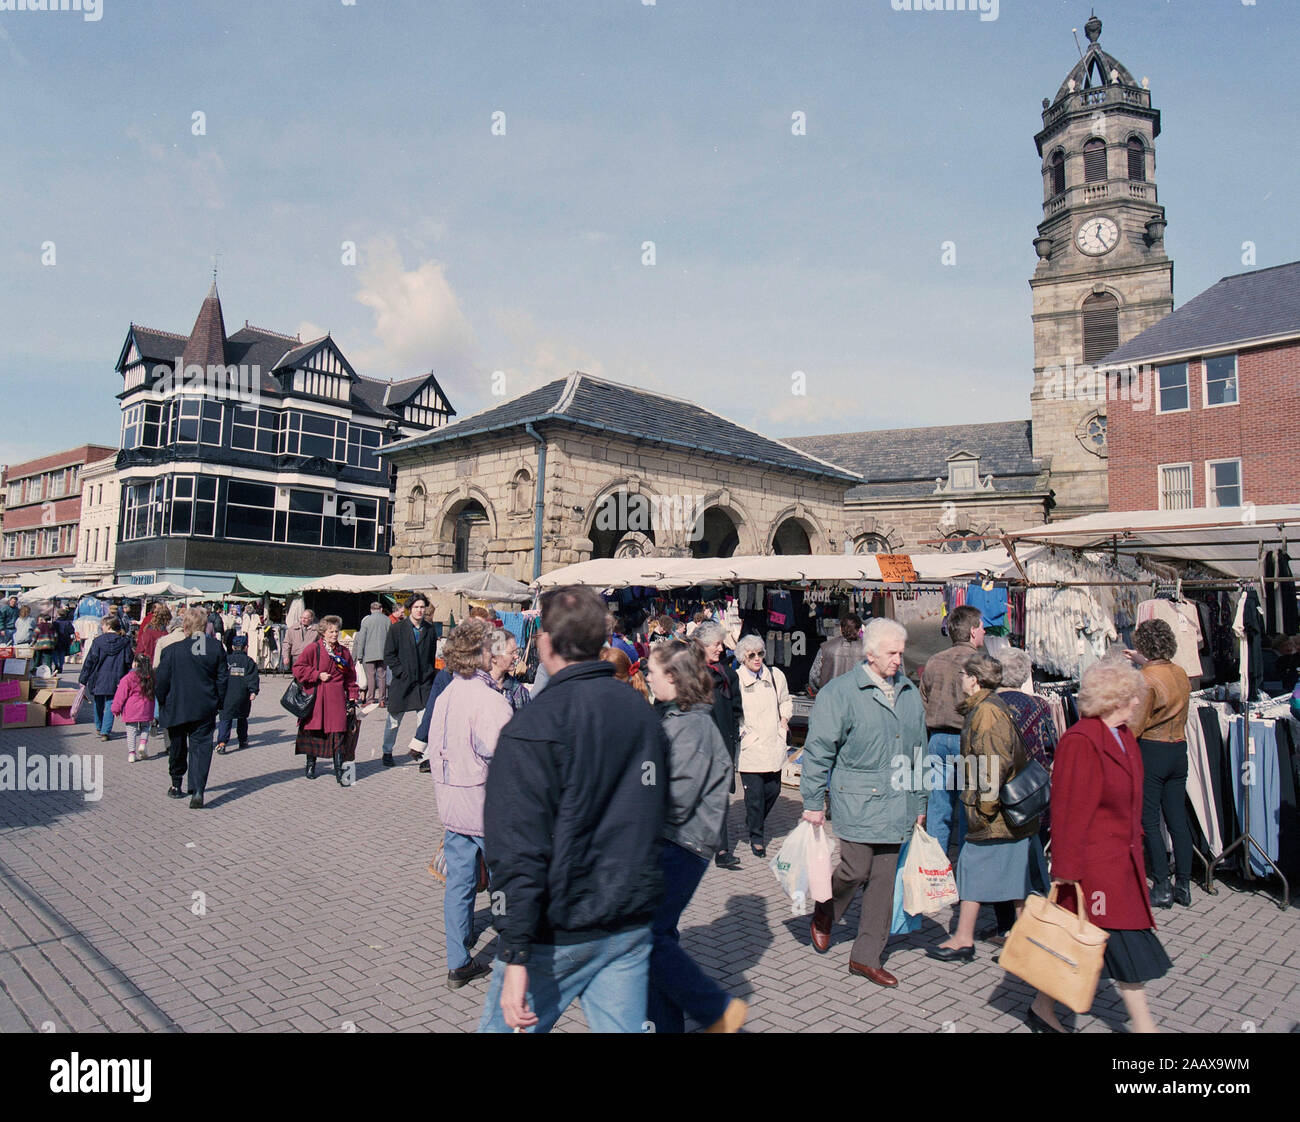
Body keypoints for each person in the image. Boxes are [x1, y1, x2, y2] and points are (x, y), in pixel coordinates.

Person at [478, 585, 667, 1034]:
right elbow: (654, 811)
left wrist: (515, 951)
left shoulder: (532, 726)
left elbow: (515, 847)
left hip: (559, 929)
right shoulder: (641, 712)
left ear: (543, 643)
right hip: (626, 920)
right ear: (603, 642)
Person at [1029, 658, 1172, 1034]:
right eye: (1132, 696)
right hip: (1094, 869)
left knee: (1079, 945)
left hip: (1121, 864)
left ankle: (1041, 1006)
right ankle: (1144, 1027)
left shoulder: (1123, 736)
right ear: (1115, 698)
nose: (1138, 702)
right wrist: (1065, 873)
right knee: (1124, 946)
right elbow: (1068, 812)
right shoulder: (1082, 740)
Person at [802, 618, 928, 988]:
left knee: (884, 881)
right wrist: (812, 800)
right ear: (870, 653)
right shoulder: (840, 693)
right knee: (855, 869)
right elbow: (818, 750)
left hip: (898, 802)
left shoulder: (907, 691)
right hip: (856, 798)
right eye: (891, 653)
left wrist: (921, 800)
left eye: (901, 653)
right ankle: (827, 909)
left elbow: (919, 752)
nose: (897, 660)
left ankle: (866, 957)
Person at [642, 641, 747, 1032]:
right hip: (675, 840)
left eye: (652, 669)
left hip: (681, 844)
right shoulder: (676, 718)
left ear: (672, 676)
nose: (647, 675)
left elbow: (677, 799)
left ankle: (715, 1008)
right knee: (660, 935)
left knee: (645, 936)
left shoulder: (692, 726)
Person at [927, 652, 1048, 964]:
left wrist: (984, 809)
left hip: (995, 817)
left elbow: (993, 764)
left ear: (975, 680)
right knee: (1009, 879)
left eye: (965, 676)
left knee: (977, 871)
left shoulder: (986, 713)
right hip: (999, 816)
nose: (961, 680)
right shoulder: (985, 708)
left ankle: (971, 940)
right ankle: (1014, 943)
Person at [427, 620, 514, 988]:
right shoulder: (489, 700)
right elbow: (509, 759)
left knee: (459, 883)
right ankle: (513, 956)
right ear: (480, 654)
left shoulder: (447, 695)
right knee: (507, 883)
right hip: (485, 805)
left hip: (451, 802)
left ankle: (458, 961)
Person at [983, 645, 1058, 943]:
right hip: (1033, 795)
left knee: (1001, 864)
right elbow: (1051, 747)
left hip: (1000, 796)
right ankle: (1037, 919)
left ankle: (1007, 927)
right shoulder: (1040, 705)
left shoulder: (987, 707)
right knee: (1034, 858)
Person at [1125, 618, 1194, 909]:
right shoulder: (1179, 673)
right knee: (1178, 820)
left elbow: (1135, 725)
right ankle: (1184, 886)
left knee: (1150, 819)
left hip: (1152, 750)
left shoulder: (1146, 678)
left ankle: (1162, 885)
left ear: (1143, 645)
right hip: (1178, 748)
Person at [919, 603, 987, 857]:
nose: (985, 632)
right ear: (972, 631)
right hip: (967, 741)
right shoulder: (980, 663)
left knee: (939, 807)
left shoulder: (934, 661)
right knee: (969, 808)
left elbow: (922, 701)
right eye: (982, 627)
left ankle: (936, 870)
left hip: (937, 739)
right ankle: (965, 872)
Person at [155, 607, 228, 809]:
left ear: (185, 626)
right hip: (204, 706)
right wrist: (219, 703)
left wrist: (162, 701)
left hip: (177, 705)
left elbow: (161, 681)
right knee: (201, 748)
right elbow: (222, 679)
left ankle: (176, 785)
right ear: (205, 626)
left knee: (177, 746)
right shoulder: (215, 647)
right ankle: (198, 790)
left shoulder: (171, 650)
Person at [734, 633, 792, 858]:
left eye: (760, 654)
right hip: (751, 747)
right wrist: (743, 734)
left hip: (773, 742)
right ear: (743, 658)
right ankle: (757, 837)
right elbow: (734, 712)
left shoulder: (775, 675)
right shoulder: (736, 679)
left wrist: (784, 720)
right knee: (755, 796)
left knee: (773, 790)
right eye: (751, 655)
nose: (757, 659)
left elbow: (785, 700)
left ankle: (754, 820)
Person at [693, 621, 743, 870]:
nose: (722, 649)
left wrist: (733, 738)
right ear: (702, 645)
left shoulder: (727, 674)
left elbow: (736, 710)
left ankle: (722, 850)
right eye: (717, 644)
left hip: (722, 742)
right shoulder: (689, 672)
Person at [293, 614, 359, 786]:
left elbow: (351, 676)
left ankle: (339, 770)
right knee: (314, 732)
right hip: (316, 697)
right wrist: (316, 675)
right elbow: (298, 668)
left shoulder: (343, 652)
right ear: (323, 632)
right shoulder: (313, 649)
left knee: (338, 733)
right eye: (331, 631)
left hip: (336, 698)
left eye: (336, 631)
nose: (334, 635)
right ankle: (310, 765)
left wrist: (352, 696)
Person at [380, 594, 437, 766]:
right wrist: (400, 671)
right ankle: (387, 751)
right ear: (409, 608)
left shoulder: (429, 629)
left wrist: (429, 673)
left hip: (422, 683)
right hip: (403, 682)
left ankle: (423, 756)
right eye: (416, 607)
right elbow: (389, 654)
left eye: (422, 607)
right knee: (394, 720)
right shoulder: (397, 629)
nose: (420, 610)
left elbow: (431, 654)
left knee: (424, 720)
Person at [78, 616, 134, 741]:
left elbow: (90, 661)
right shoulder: (124, 642)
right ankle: (105, 731)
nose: (101, 627)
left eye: (102, 625)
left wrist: (83, 678)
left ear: (108, 626)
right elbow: (128, 661)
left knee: (98, 702)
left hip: (98, 677)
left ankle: (99, 727)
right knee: (111, 703)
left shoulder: (98, 641)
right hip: (117, 676)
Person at [216, 634, 260, 754]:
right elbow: (253, 677)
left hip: (226, 695)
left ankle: (222, 743)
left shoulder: (226, 660)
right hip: (242, 695)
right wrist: (253, 691)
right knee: (242, 718)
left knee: (225, 719)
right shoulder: (249, 661)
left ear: (232, 647)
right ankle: (243, 740)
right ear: (246, 647)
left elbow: (219, 677)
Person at [806, 614, 867, 698]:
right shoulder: (867, 651)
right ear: (860, 629)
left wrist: (821, 691)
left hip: (831, 700)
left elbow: (814, 677)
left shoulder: (826, 648)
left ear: (840, 628)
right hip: (858, 701)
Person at [111, 654, 157, 763]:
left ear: (135, 663)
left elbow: (120, 695)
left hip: (132, 708)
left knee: (131, 731)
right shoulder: (151, 677)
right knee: (145, 727)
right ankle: (142, 743)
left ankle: (132, 754)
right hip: (147, 707)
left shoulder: (128, 677)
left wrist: (115, 709)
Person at [352, 601, 391, 711]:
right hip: (383, 653)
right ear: (381, 609)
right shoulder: (387, 620)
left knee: (370, 676)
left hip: (368, 654)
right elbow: (390, 637)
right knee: (382, 676)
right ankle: (382, 700)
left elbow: (361, 639)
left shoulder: (367, 621)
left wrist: (359, 655)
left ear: (371, 609)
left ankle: (370, 700)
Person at [281, 608, 316, 675]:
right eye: (301, 617)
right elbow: (286, 643)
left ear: (311, 618)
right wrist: (286, 656)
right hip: (297, 657)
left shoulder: (317, 630)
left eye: (305, 618)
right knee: (298, 677)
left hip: (311, 658)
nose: (303, 619)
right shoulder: (293, 629)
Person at [52, 609, 76, 675]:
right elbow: (72, 632)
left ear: (58, 614)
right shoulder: (68, 623)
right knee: (61, 654)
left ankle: (56, 665)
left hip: (56, 639)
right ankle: (61, 666)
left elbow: (52, 631)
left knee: (54, 653)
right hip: (65, 640)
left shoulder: (55, 622)